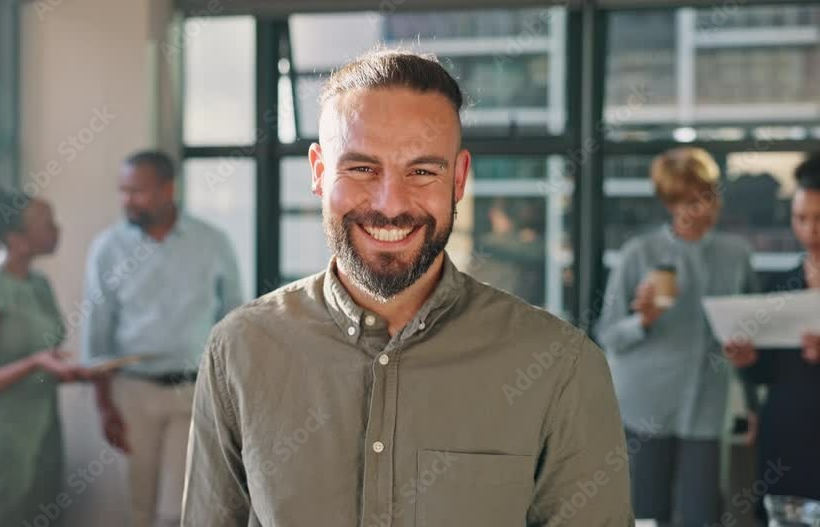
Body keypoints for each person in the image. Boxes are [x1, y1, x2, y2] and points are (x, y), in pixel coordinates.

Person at [183, 50, 633, 526]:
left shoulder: (560, 366)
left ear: (458, 178)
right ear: (318, 171)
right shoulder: (239, 350)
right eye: (361, 169)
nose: (391, 204)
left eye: (421, 171)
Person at [595, 147, 758, 527]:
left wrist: (750, 396)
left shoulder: (737, 255)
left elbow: (751, 330)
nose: (705, 208)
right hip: (644, 405)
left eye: (710, 195)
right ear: (671, 203)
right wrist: (643, 320)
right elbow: (608, 334)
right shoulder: (640, 253)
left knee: (705, 514)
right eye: (691, 200)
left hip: (708, 405)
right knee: (648, 514)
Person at [82, 150, 243, 527]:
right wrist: (103, 404)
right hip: (132, 394)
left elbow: (234, 317)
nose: (127, 200)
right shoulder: (108, 248)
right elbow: (97, 329)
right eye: (123, 191)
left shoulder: (213, 242)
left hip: (194, 392)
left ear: (168, 189)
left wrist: (229, 393)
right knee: (138, 507)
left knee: (180, 510)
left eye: (137, 191)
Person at [0, 172, 90, 527]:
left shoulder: (38, 284)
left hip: (42, 434)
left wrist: (73, 373)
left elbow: (44, 359)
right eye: (48, 224)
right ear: (18, 239)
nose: (58, 229)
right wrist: (34, 364)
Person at [738, 152, 820, 505]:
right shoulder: (780, 285)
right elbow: (768, 372)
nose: (810, 230)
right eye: (800, 218)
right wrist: (748, 360)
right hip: (788, 439)